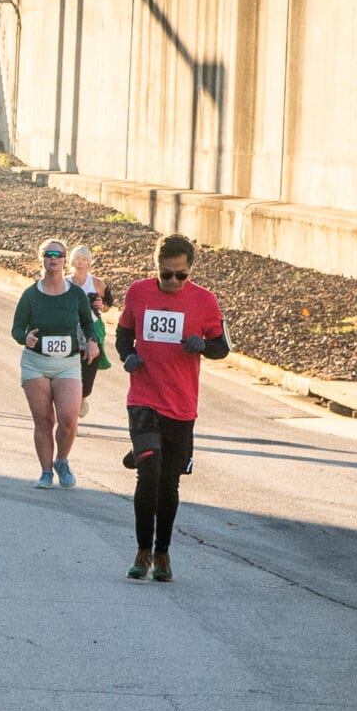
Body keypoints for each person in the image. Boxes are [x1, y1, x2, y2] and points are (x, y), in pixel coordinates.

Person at [116, 234, 229, 582]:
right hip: (144, 398)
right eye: (166, 274)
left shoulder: (205, 301)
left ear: (189, 271)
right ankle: (142, 552)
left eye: (180, 275)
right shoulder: (138, 292)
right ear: (156, 267)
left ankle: (163, 552)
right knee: (149, 476)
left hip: (181, 406)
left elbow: (222, 348)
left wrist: (203, 346)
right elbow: (123, 335)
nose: (172, 282)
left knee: (168, 483)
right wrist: (128, 355)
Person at [11, 238, 101, 488]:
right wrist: (24, 337)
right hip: (36, 363)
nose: (54, 258)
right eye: (48, 254)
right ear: (41, 258)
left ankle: (62, 460)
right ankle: (46, 471)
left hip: (68, 362)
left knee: (69, 417)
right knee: (44, 420)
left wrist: (92, 341)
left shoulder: (75, 295)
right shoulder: (30, 294)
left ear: (64, 261)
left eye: (59, 255)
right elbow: (17, 328)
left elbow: (88, 323)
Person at [68, 245, 114, 411]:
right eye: (77, 259)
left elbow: (109, 305)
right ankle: (69, 407)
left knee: (87, 374)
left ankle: (82, 397)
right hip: (70, 329)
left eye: (83, 259)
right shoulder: (64, 282)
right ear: (71, 261)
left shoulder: (97, 283)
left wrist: (101, 305)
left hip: (92, 328)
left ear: (89, 263)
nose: (80, 263)